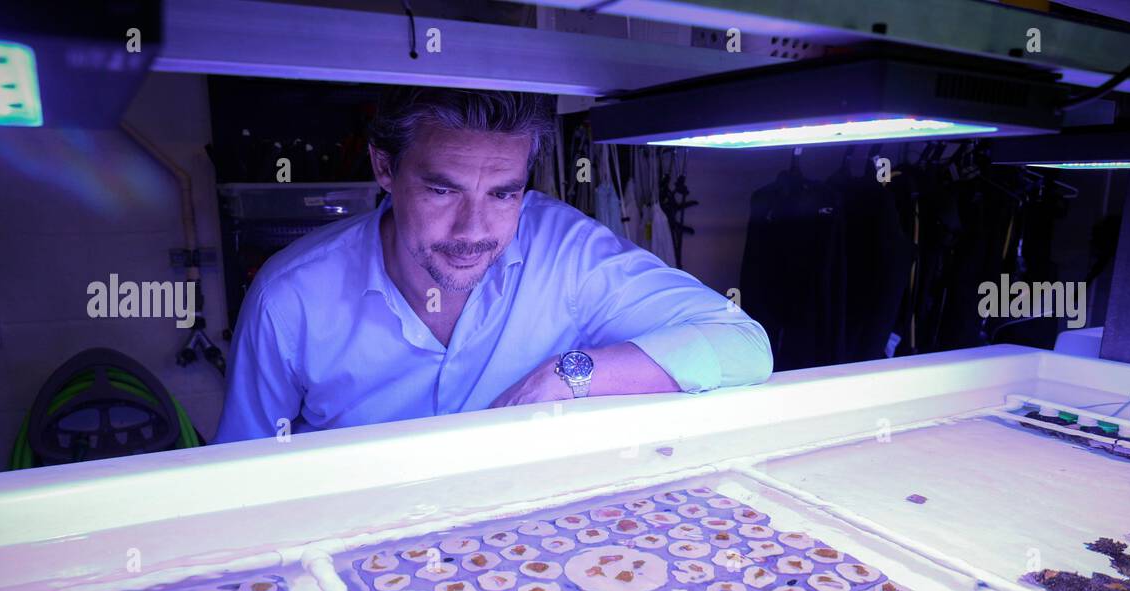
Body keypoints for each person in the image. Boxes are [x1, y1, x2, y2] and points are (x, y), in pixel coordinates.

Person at [214, 86, 772, 443]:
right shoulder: (289, 298)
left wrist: (564, 375)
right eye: (442, 191)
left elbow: (745, 346)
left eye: (503, 195)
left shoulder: (566, 252)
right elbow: (236, 481)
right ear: (385, 168)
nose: (473, 231)